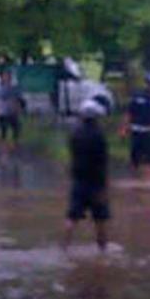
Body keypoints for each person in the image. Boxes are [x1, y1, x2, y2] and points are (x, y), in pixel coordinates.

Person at [63, 98, 110, 251]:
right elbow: (102, 162)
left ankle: (64, 247)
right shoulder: (99, 136)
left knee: (72, 217)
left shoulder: (75, 134)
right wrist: (104, 186)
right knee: (100, 219)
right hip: (96, 183)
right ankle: (102, 250)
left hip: (79, 181)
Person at [120, 73, 150, 181]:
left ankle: (149, 182)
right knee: (135, 159)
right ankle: (133, 180)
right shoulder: (137, 96)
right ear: (146, 83)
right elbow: (129, 114)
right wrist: (123, 129)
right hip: (137, 130)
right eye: (149, 83)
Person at [0, 70, 25, 148]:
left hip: (12, 111)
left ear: (10, 78)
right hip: (2, 112)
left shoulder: (15, 88)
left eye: (7, 76)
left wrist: (19, 108)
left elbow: (20, 100)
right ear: (2, 78)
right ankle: (4, 143)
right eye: (4, 76)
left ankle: (15, 142)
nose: (6, 78)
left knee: (16, 127)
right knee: (3, 128)